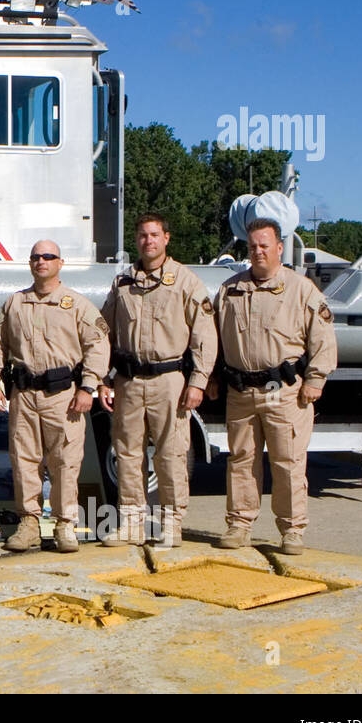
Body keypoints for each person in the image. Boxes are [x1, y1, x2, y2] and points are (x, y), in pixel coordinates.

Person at [210, 218, 338, 555]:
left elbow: (323, 337)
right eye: (252, 246)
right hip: (241, 392)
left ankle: (292, 530)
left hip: (285, 391)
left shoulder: (301, 289)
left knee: (288, 462)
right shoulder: (231, 289)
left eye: (265, 245)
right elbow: (214, 339)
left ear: (279, 248)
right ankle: (239, 524)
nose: (258, 251)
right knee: (240, 460)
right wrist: (210, 376)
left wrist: (316, 378)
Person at [98, 214, 216, 548]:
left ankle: (171, 524)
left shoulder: (185, 282)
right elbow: (103, 333)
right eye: (141, 235)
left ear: (166, 238)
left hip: (170, 381)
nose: (148, 241)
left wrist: (198, 381)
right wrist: (103, 380)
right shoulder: (122, 284)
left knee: (171, 454)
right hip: (129, 381)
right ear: (136, 240)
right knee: (128, 453)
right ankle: (133, 524)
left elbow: (205, 335)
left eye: (154, 235)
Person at [0, 240, 110, 553]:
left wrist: (88, 387)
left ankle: (64, 525)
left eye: (48, 256)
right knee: (24, 461)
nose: (41, 261)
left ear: (60, 262)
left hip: (63, 396)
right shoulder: (14, 304)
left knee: (65, 462)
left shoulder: (77, 305)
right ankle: (28, 523)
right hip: (25, 394)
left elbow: (98, 345)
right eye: (36, 257)